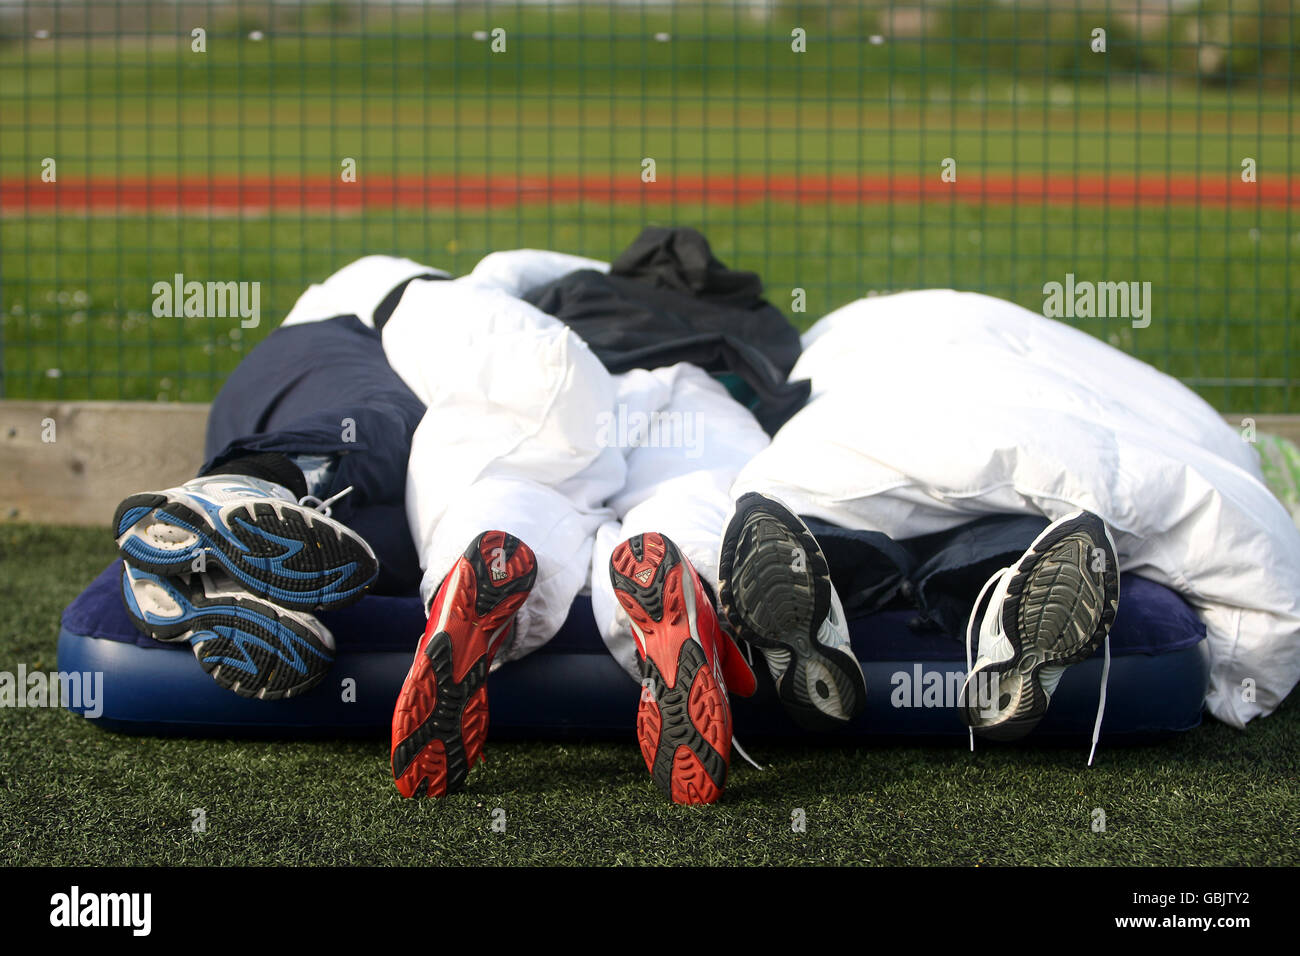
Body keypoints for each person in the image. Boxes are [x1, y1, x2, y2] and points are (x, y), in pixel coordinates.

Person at [111, 245, 868, 805]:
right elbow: (787, 389)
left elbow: (497, 282)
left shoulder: (530, 295)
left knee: (493, 491)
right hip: (692, 395)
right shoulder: (755, 326)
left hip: (561, 394)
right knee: (689, 502)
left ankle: (468, 574)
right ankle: (682, 584)